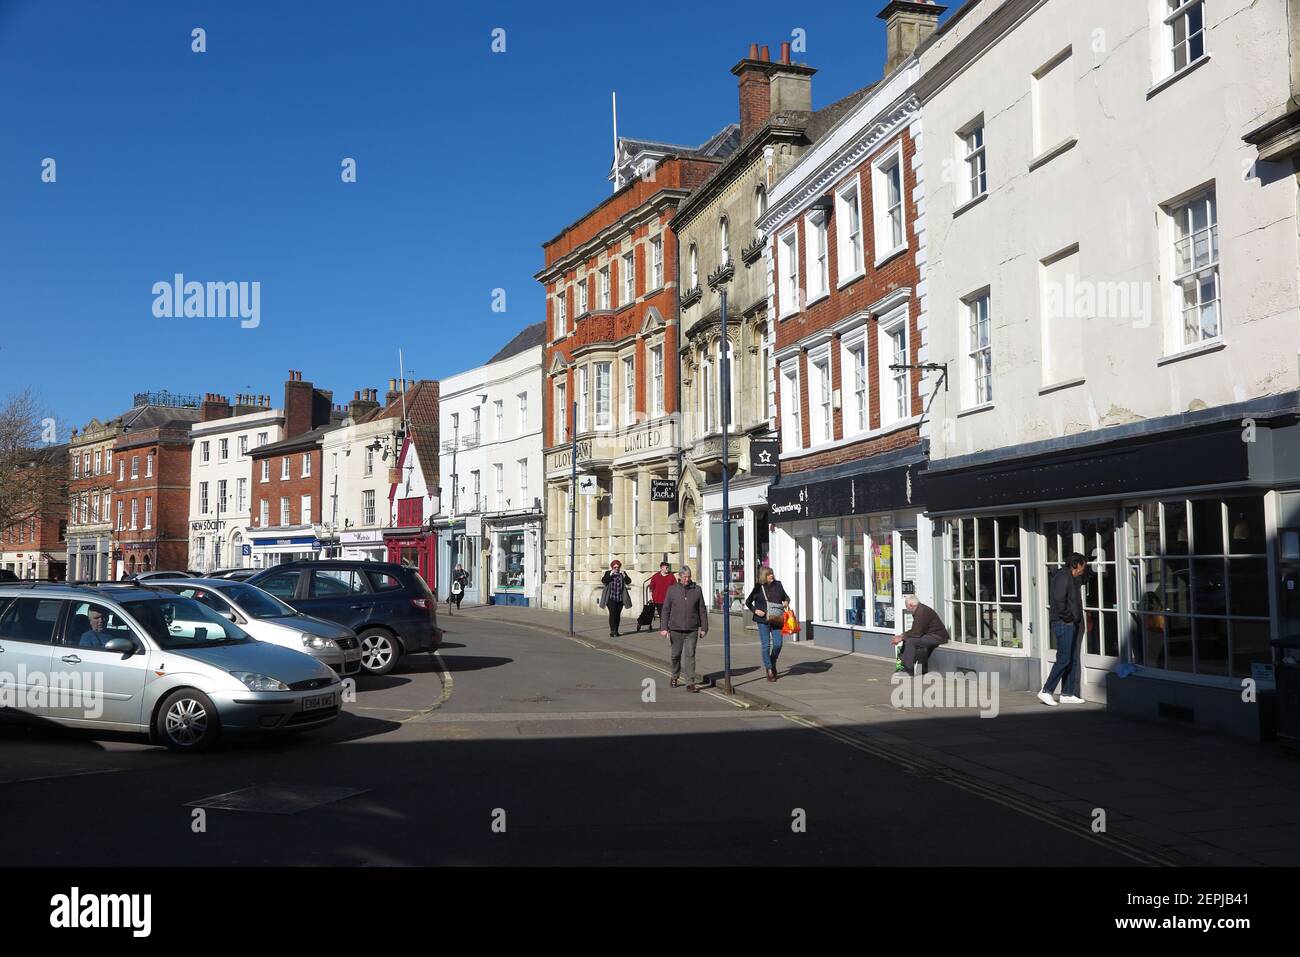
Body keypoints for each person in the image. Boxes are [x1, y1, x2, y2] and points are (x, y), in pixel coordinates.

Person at [1039, 553, 1089, 706]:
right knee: (1064, 658)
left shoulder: (1072, 577)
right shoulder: (1063, 576)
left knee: (1072, 658)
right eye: (1083, 566)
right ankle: (1046, 690)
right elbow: (1059, 599)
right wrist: (1068, 618)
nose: (1084, 569)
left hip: (1069, 623)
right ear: (1076, 565)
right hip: (1063, 623)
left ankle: (1067, 693)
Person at [661, 565, 708, 692]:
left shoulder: (697, 590)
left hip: (692, 629)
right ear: (680, 577)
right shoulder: (672, 590)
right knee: (675, 655)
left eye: (689, 577)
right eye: (685, 577)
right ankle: (675, 675)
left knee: (690, 655)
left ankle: (690, 682)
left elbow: (702, 610)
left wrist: (704, 627)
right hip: (675, 629)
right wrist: (664, 627)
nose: (687, 579)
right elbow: (665, 610)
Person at [744, 567, 790, 682]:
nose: (772, 576)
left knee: (778, 644)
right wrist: (755, 610)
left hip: (776, 619)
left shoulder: (778, 585)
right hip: (762, 620)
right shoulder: (758, 587)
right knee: (766, 645)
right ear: (764, 576)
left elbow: (786, 597)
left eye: (772, 574)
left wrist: (786, 602)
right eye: (769, 574)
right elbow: (748, 602)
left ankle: (772, 662)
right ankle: (769, 669)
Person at [890, 595, 949, 675]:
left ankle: (908, 670)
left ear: (910, 605)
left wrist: (902, 637)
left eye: (906, 606)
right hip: (930, 635)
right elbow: (916, 631)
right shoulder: (920, 610)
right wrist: (902, 636)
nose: (907, 608)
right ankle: (901, 667)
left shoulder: (921, 611)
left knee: (910, 641)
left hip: (937, 637)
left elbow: (916, 633)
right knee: (908, 639)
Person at [599, 559, 633, 637]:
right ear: (612, 567)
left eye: (618, 567)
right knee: (613, 613)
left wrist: (624, 575)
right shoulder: (608, 573)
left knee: (618, 615)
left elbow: (628, 582)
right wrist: (611, 574)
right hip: (611, 597)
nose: (616, 569)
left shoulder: (622, 574)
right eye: (615, 567)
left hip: (620, 598)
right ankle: (612, 631)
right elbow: (604, 581)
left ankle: (616, 631)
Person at [646, 561, 675, 628]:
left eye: (668, 568)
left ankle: (666, 626)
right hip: (658, 599)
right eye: (666, 568)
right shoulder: (655, 576)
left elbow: (675, 586)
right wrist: (650, 597)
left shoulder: (671, 576)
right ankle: (663, 627)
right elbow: (651, 588)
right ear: (662, 568)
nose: (668, 569)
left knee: (668, 613)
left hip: (669, 599)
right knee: (662, 614)